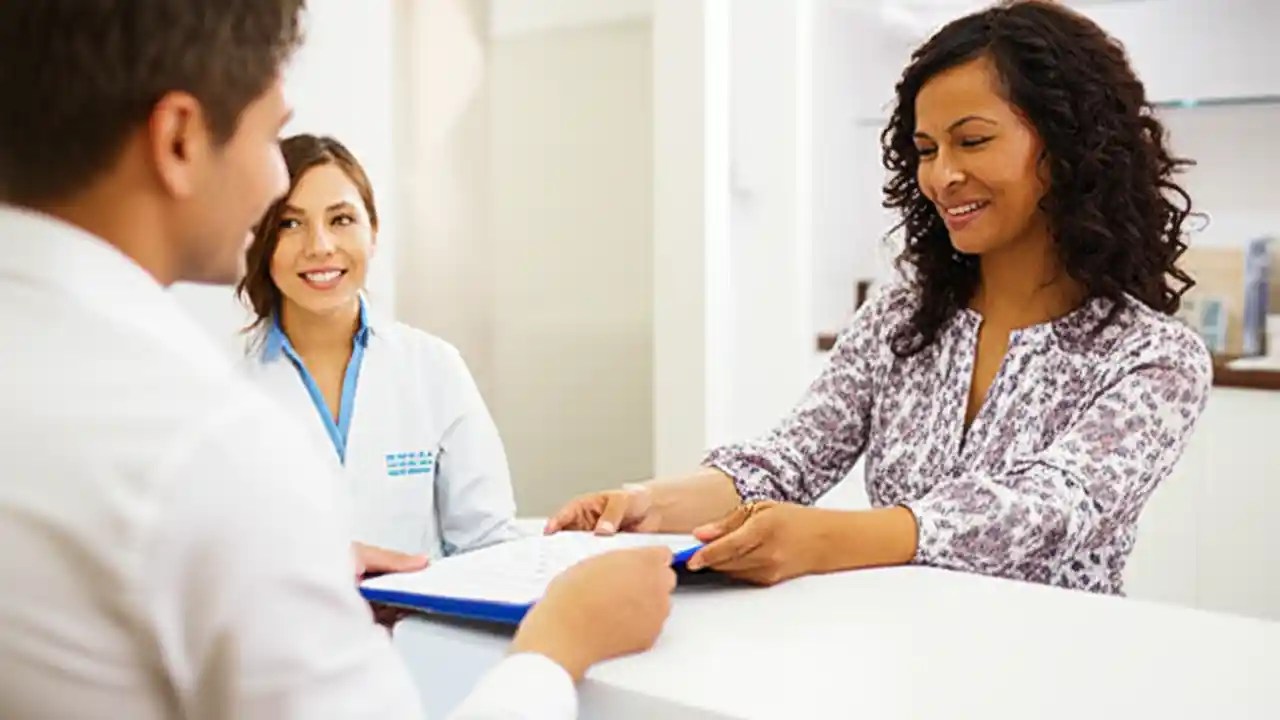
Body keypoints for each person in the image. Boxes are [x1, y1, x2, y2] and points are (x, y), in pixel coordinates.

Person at [0, 2, 674, 719]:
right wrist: (558, 645)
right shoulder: (212, 444)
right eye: (271, 136)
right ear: (179, 140)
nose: (276, 188)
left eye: (341, 218)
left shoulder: (59, 378)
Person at [547, 0, 1213, 596]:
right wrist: (647, 506)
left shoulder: (1156, 358)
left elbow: (1046, 510)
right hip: (898, 656)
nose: (942, 176)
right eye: (925, 149)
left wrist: (825, 540)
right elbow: (790, 459)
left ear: (1070, 147)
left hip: (1061, 666)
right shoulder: (903, 316)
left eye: (972, 141)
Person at [238, 134, 518, 565]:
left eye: (341, 219)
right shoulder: (224, 383)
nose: (320, 246)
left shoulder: (434, 367)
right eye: (289, 224)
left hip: (423, 610)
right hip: (284, 610)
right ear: (260, 241)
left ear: (373, 232)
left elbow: (490, 542)